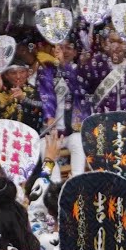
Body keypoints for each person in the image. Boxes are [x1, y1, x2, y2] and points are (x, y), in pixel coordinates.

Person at [38, 38, 88, 175]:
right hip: (52, 131)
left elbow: (77, 90)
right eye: (60, 47)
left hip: (72, 131)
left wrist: (63, 66)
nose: (64, 51)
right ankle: (51, 184)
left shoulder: (79, 70)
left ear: (75, 52)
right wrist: (49, 117)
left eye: (68, 48)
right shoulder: (45, 70)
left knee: (79, 143)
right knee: (45, 150)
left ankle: (77, 181)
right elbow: (46, 96)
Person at [83, 26, 126, 115]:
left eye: (120, 42)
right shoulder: (96, 64)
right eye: (112, 42)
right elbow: (84, 92)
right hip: (102, 121)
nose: (116, 46)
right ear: (104, 44)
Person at [0, 59, 45, 131]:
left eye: (22, 72)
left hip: (29, 135)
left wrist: (24, 99)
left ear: (27, 73)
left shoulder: (34, 90)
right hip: (5, 136)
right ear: (6, 76)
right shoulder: (1, 92)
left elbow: (43, 105)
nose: (18, 76)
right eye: (13, 73)